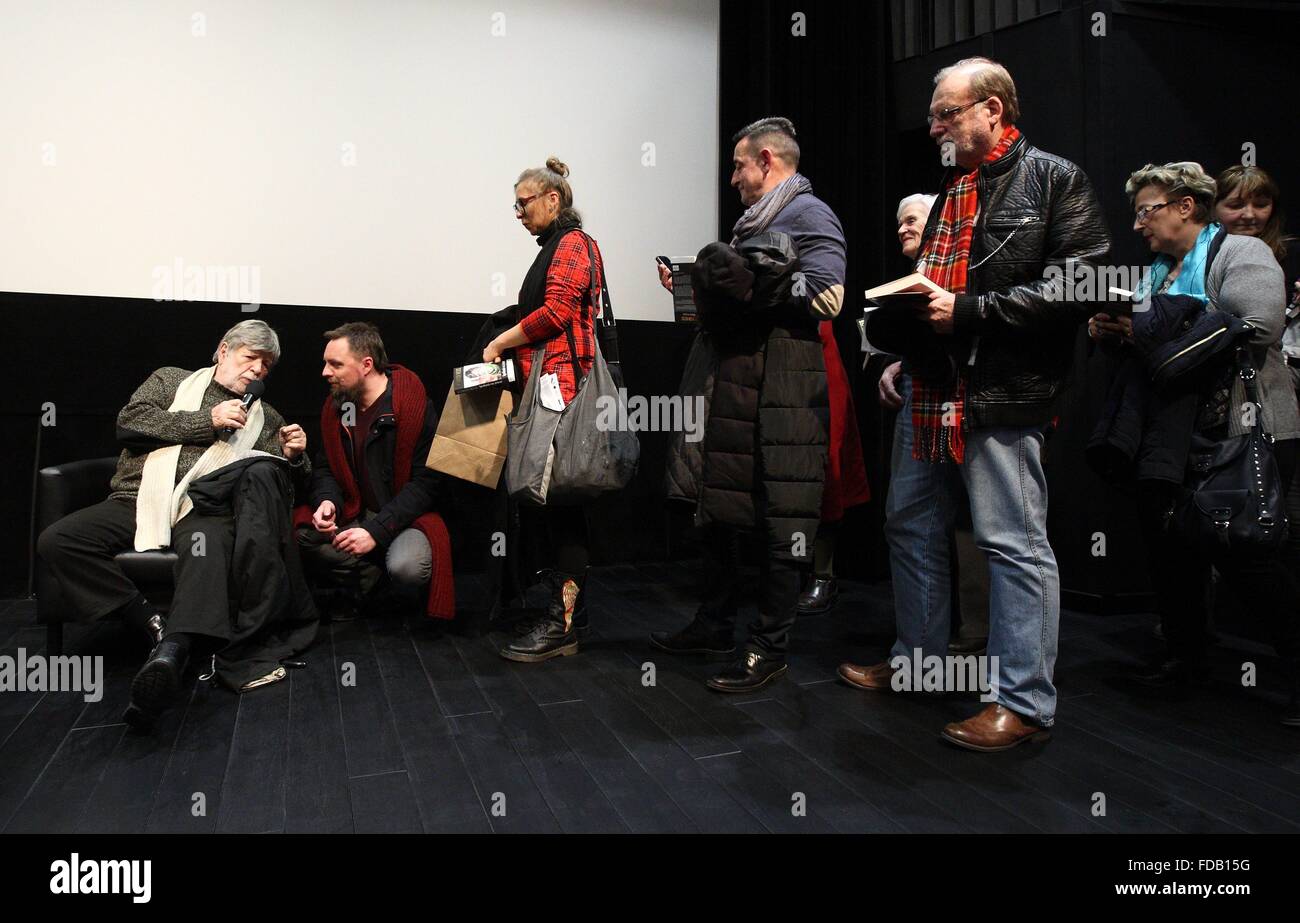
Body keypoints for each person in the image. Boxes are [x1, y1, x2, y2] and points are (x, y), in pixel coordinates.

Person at [847, 57, 1111, 750]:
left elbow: (1081, 285)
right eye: (934, 115)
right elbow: (934, 290)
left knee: (1012, 544)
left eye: (947, 113)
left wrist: (970, 311)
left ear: (992, 110)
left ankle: (1023, 703)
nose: (934, 126)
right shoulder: (953, 189)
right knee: (909, 525)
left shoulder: (1054, 178)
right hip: (932, 386)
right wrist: (903, 351)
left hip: (1003, 391)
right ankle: (921, 665)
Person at [1090, 162, 1300, 725]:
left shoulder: (1240, 252)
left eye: (1147, 211)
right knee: (1172, 553)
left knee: (1247, 557)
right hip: (1172, 435)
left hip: (1241, 425)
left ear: (1186, 207)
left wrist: (1154, 327)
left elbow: (1259, 324)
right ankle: (1186, 659)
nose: (1138, 224)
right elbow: (1152, 342)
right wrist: (1115, 332)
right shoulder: (1157, 272)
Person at [37, 320, 318, 729]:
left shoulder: (267, 418)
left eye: (266, 365)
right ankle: (153, 625)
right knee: (59, 540)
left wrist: (296, 457)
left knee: (208, 546)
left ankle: (173, 652)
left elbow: (285, 490)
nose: (258, 369)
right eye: (251, 358)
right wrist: (208, 419)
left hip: (203, 509)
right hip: (138, 499)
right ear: (224, 350)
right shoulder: (171, 380)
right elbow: (129, 423)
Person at [656, 116, 843, 691]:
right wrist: (700, 289)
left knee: (783, 513)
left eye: (739, 166)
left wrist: (751, 282)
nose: (733, 177)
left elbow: (829, 297)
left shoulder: (809, 213)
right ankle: (715, 624)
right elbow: (747, 295)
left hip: (782, 387)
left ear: (767, 160)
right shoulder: (754, 223)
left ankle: (769, 647)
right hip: (735, 384)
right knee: (722, 509)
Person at [482, 157, 604, 662]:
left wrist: (499, 343)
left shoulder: (573, 244)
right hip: (550, 388)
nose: (518, 213)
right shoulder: (554, 247)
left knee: (564, 504)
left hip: (565, 390)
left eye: (523, 203)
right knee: (554, 506)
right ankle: (568, 613)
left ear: (553, 199)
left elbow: (556, 313)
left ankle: (564, 624)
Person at [878, 193, 990, 654]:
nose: (903, 228)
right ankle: (919, 658)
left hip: (977, 400)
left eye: (912, 220)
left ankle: (997, 660)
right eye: (899, 222)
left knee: (992, 530)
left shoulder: (975, 262)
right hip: (924, 398)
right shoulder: (918, 275)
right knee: (910, 521)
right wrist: (899, 365)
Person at [295, 322, 452, 622]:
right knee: (302, 538)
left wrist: (375, 531)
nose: (325, 372)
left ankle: (380, 587)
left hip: (406, 518)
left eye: (335, 364)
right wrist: (327, 501)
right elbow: (325, 468)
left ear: (367, 365)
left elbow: (426, 485)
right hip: (357, 512)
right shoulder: (336, 408)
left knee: (407, 567)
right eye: (325, 363)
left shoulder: (413, 405)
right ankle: (372, 580)